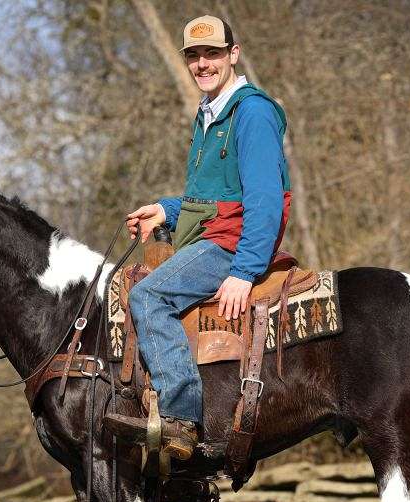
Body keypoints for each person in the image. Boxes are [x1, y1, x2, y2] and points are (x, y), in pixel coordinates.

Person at [124, 13, 291, 461]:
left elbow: (265, 200)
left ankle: (181, 422)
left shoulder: (251, 112)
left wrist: (245, 270)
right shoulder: (208, 115)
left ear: (233, 55)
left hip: (231, 245)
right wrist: (166, 209)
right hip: (215, 235)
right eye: (194, 55)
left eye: (213, 53)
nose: (203, 64)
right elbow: (211, 200)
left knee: (147, 297)